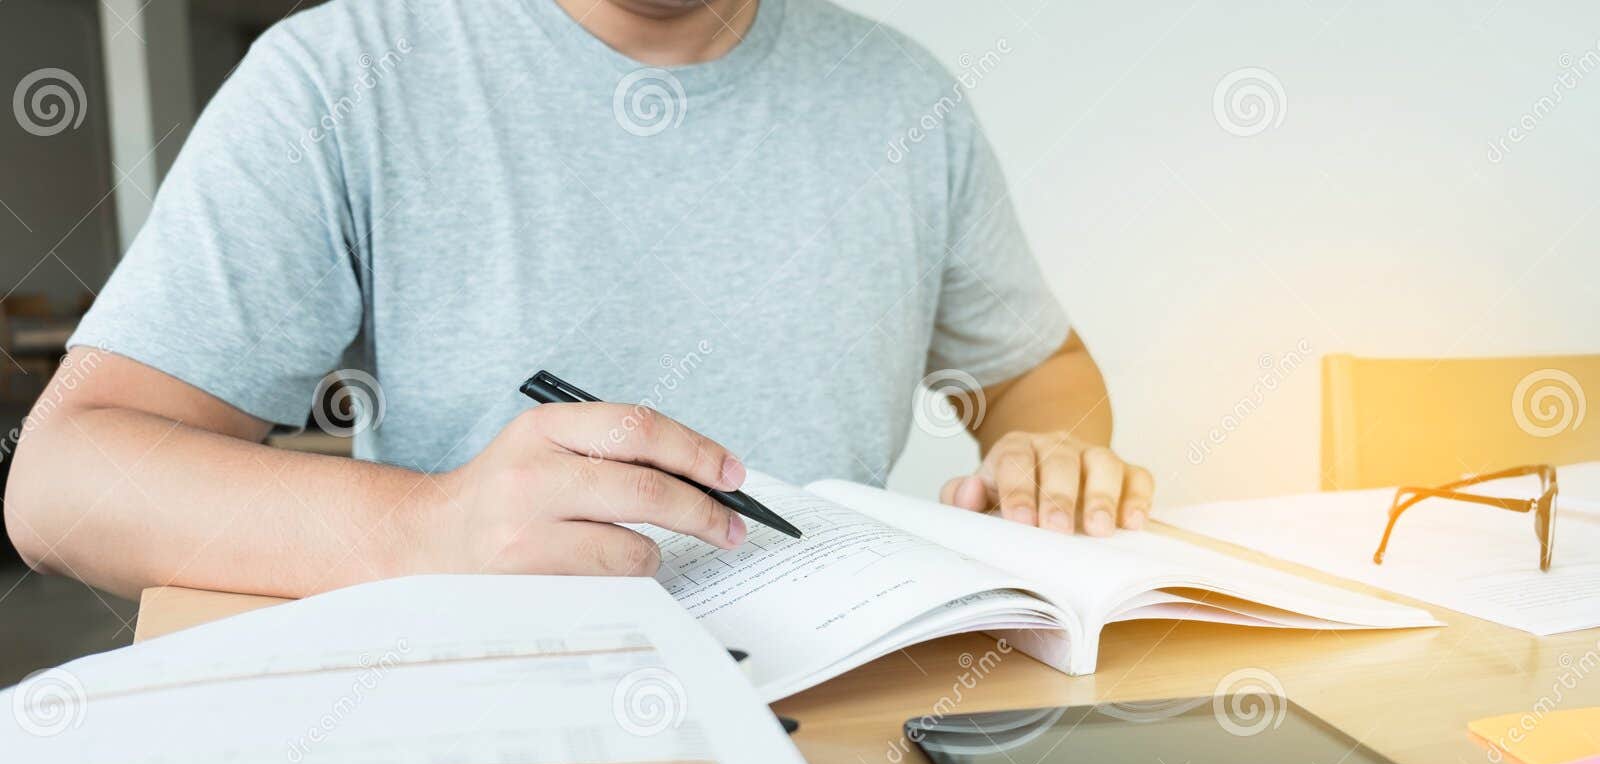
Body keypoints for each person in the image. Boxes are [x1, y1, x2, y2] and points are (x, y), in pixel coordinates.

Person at [5, 0, 1153, 601]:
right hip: (504, 737)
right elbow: (62, 484)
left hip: (854, 709)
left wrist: (1044, 446)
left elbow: (1034, 370)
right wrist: (426, 527)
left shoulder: (907, 96)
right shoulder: (344, 73)